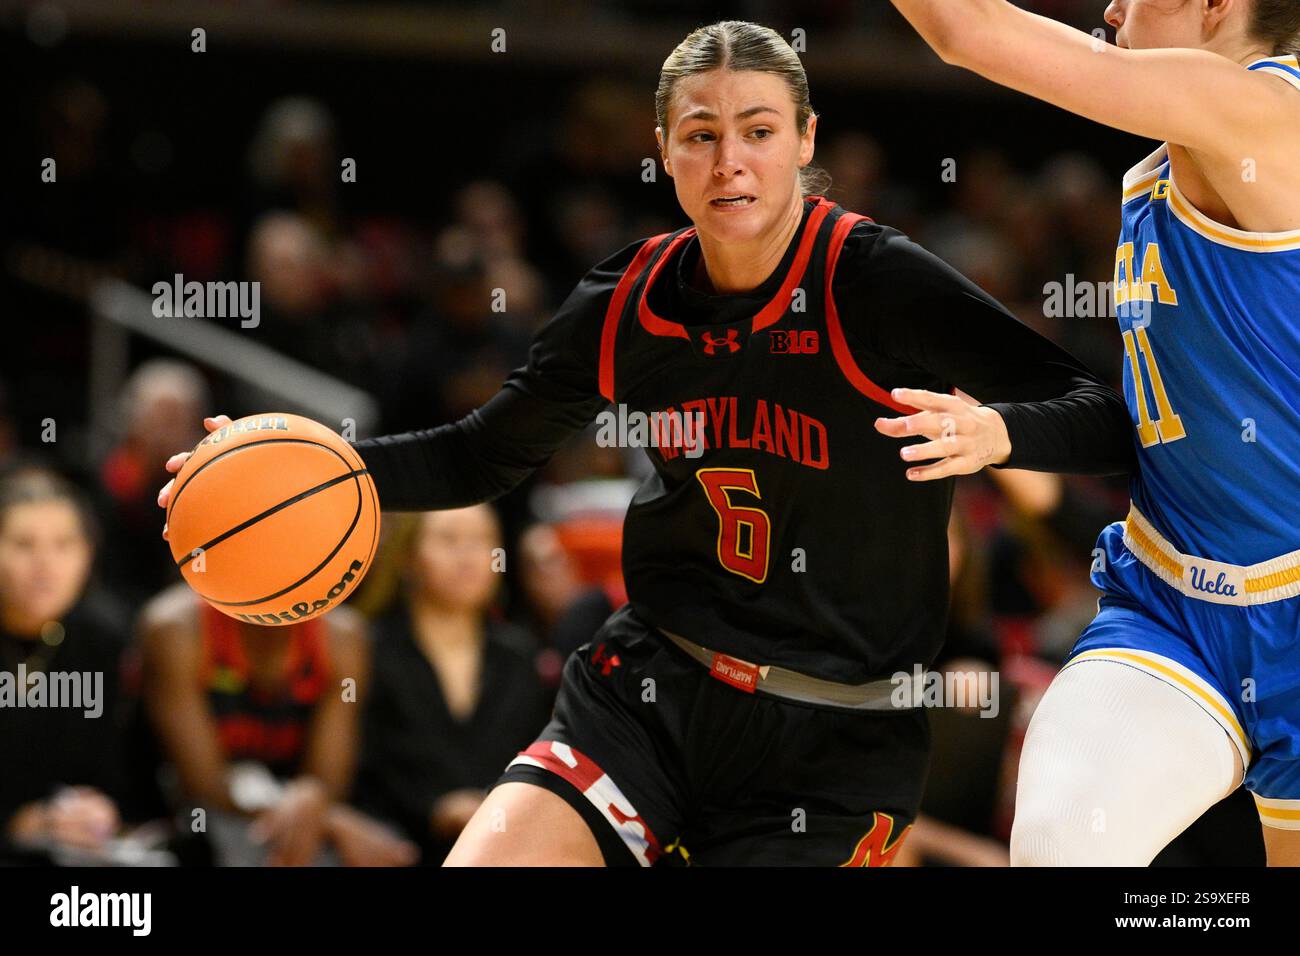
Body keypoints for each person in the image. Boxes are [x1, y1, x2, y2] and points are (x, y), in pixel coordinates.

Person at [159, 20, 1134, 866]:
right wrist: (301, 465)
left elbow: (1107, 411)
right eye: (700, 136)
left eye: (756, 132)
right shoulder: (624, 300)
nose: (729, 163)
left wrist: (997, 432)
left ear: (803, 140)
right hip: (652, 689)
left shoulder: (876, 282)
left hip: (836, 732)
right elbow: (481, 452)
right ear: (662, 151)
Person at [890, 0, 1300, 865]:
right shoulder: (1164, 164)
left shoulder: (1258, 109)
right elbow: (1161, 419)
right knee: (1063, 847)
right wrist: (1007, 434)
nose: (1110, 8)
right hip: (1172, 603)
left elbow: (969, 32)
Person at [138, 582, 417, 866]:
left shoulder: (342, 637)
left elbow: (328, 782)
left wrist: (315, 805)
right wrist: (328, 819)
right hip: (198, 818)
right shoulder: (177, 628)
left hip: (305, 816)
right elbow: (203, 786)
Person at [352, 505, 552, 864]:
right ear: (407, 555)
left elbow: (539, 763)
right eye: (449, 539)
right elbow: (359, 769)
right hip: (393, 847)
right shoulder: (367, 649)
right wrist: (434, 809)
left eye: (482, 540)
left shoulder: (520, 656)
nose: (469, 556)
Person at [0, 469, 133, 862]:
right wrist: (14, 824)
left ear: (88, 554)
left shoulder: (103, 637)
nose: (45, 564)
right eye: (23, 544)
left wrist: (104, 808)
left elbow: (121, 768)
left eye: (64, 544)